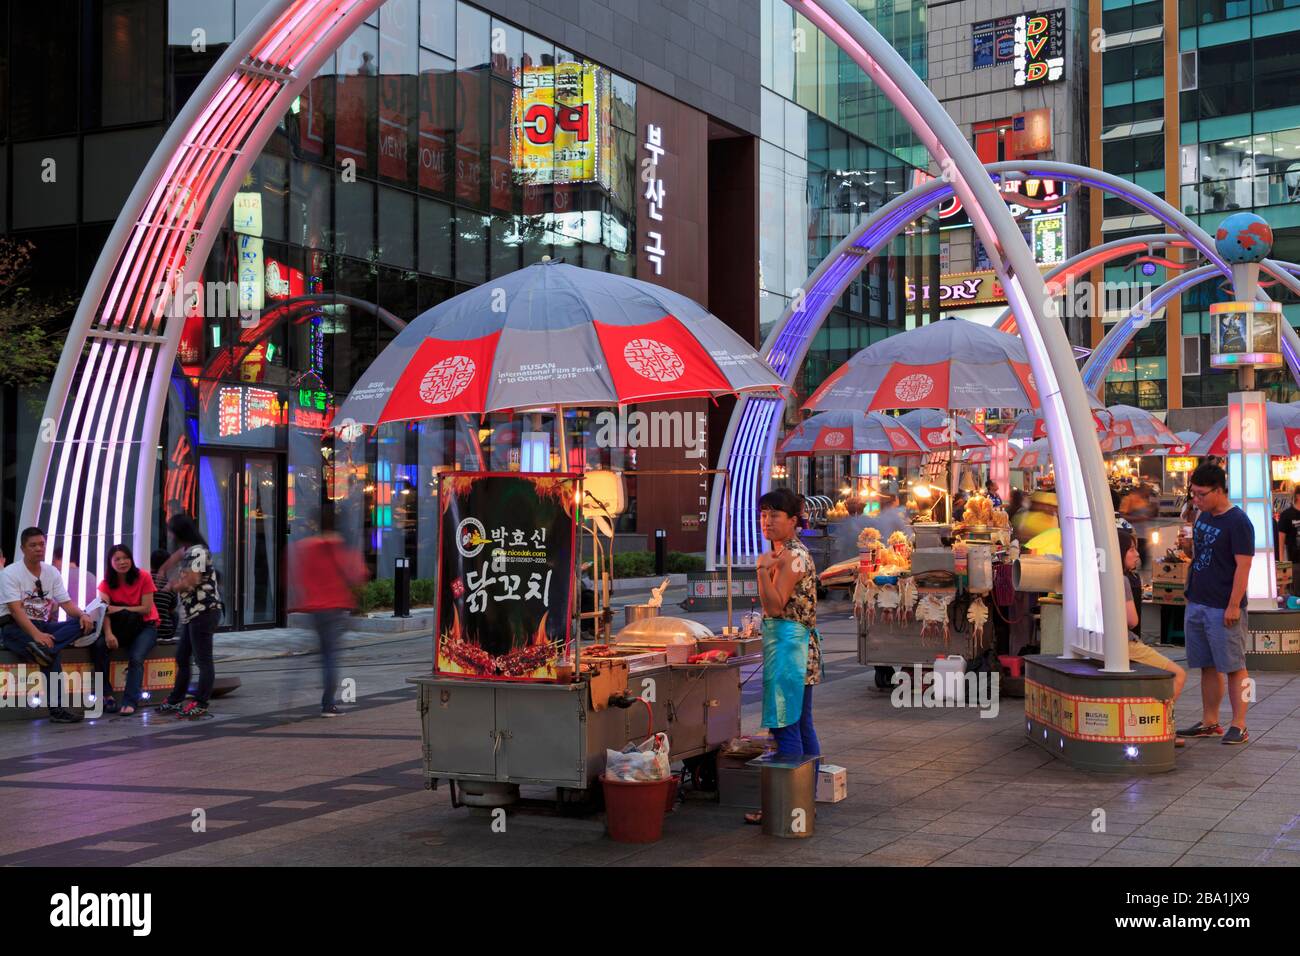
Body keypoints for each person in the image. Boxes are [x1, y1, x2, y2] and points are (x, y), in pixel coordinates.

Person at [746, 488, 821, 826]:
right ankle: (803, 799)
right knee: (801, 723)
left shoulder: (791, 555)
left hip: (792, 650)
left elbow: (774, 606)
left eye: (775, 515)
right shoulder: (787, 552)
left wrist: (762, 571)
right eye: (763, 514)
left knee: (785, 723)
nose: (767, 521)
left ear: (793, 521)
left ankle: (786, 804)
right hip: (798, 647)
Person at [1178, 464, 1253, 745]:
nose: (1196, 500)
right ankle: (1210, 720)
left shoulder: (1239, 522)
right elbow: (1200, 554)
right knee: (1206, 664)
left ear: (1219, 490)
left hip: (1223, 605)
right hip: (1197, 600)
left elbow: (1243, 567)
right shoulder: (1202, 516)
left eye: (1201, 495)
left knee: (1234, 665)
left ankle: (1240, 723)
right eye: (1193, 494)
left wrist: (1234, 604)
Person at [0, 527, 95, 723]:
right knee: (51, 655)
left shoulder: (51, 571)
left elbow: (67, 604)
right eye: (33, 545)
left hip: (43, 627)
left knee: (80, 624)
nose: (38, 549)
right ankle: (57, 709)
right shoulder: (10, 573)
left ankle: (42, 649)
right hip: (15, 628)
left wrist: (83, 614)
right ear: (23, 548)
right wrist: (36, 636)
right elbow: (16, 611)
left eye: (41, 544)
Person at [1118, 529, 1188, 747]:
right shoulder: (1122, 581)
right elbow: (1132, 621)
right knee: (1177, 674)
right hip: (1125, 644)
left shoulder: (1095, 577)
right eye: (1131, 549)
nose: (1137, 555)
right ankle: (1157, 726)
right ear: (1118, 552)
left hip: (1099, 642)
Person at [288, 529, 368, 717]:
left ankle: (318, 702)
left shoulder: (308, 547)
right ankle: (328, 704)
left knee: (324, 654)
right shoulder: (341, 549)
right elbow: (359, 575)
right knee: (330, 657)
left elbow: (295, 571)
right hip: (335, 609)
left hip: (315, 610)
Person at [159, 515, 223, 720]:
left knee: (203, 660)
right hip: (192, 613)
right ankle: (176, 698)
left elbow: (191, 582)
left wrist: (171, 586)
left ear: (180, 533)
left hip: (203, 611)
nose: (169, 534)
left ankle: (201, 702)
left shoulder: (198, 551)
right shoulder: (190, 549)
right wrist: (163, 568)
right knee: (182, 657)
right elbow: (177, 555)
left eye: (171, 530)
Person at [92, 545, 159, 716]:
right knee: (99, 646)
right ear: (110, 562)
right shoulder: (105, 584)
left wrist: (119, 608)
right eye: (117, 559)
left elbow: (146, 609)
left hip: (145, 626)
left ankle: (130, 701)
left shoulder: (143, 576)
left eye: (125, 558)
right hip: (120, 627)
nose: (122, 562)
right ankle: (106, 695)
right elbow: (104, 611)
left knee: (136, 658)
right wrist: (108, 633)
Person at [51, 547, 96, 611]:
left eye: (53, 561)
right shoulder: (92, 576)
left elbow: (52, 607)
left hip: (62, 619)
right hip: (88, 618)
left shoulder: (57, 577)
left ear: (62, 559)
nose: (52, 564)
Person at [831, 496, 871, 565]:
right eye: (851, 504)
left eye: (854, 504)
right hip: (847, 558)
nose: (853, 506)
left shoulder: (863, 520)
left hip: (857, 557)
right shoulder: (844, 521)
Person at [150, 549, 178, 644]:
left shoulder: (145, 580)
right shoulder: (169, 584)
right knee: (175, 615)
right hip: (166, 632)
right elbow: (171, 609)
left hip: (145, 630)